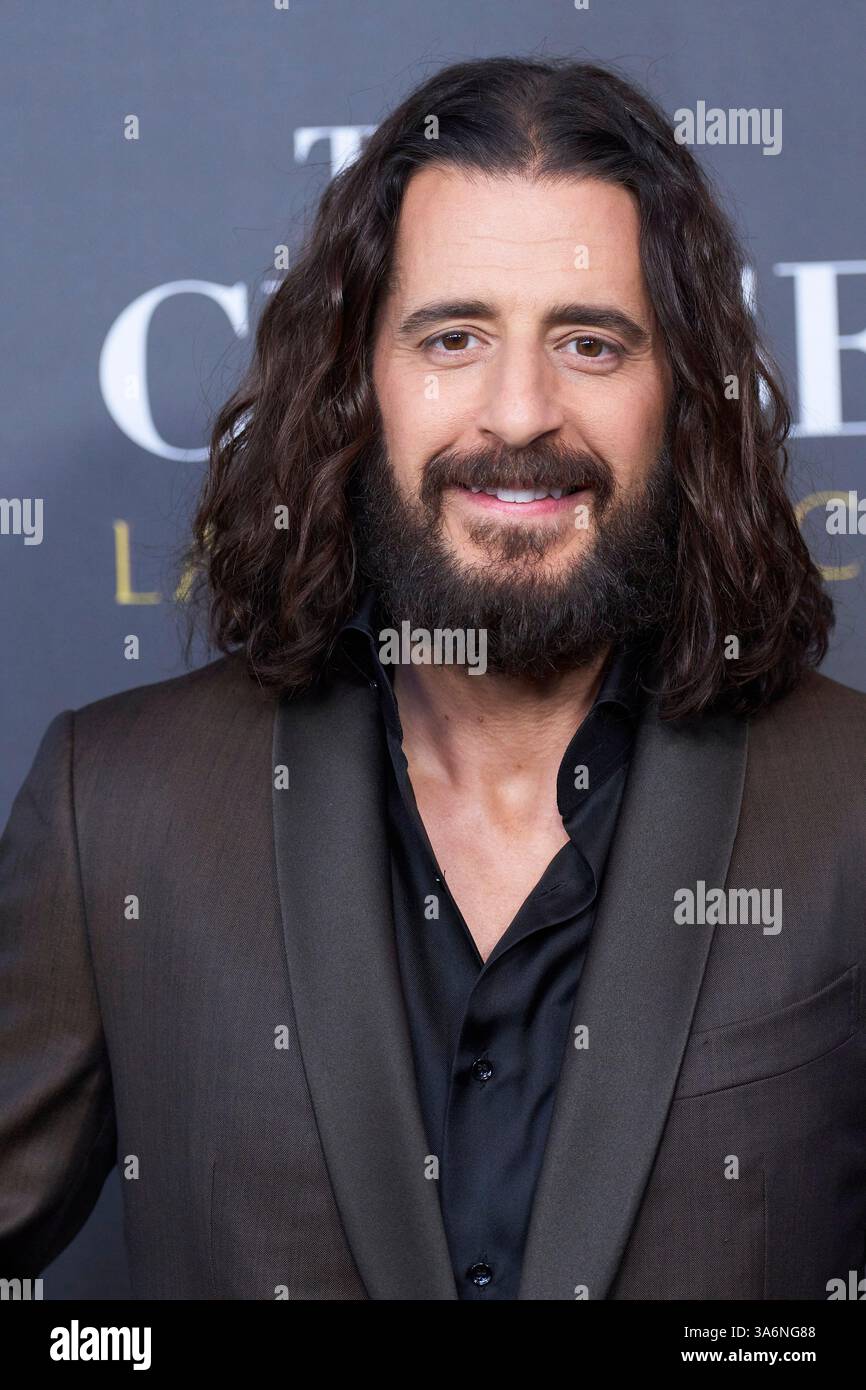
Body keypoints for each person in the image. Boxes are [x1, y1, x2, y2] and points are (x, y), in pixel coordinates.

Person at [1, 56, 864, 1302]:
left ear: (680, 399)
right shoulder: (116, 809)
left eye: (588, 341)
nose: (518, 412)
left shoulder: (844, 799)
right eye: (452, 336)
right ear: (360, 386)